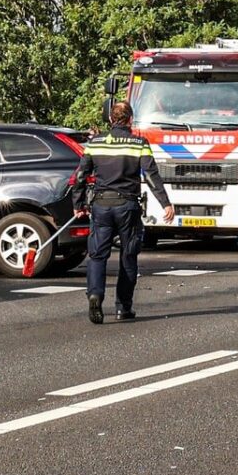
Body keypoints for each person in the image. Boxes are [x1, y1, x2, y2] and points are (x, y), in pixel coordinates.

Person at [75, 99, 173, 324]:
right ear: (130, 120)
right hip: (128, 206)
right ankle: (123, 308)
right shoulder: (139, 143)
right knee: (128, 257)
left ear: (110, 119)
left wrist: (78, 204)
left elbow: (81, 175)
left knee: (98, 255)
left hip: (101, 205)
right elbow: (151, 175)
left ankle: (95, 294)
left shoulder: (96, 143)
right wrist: (165, 203)